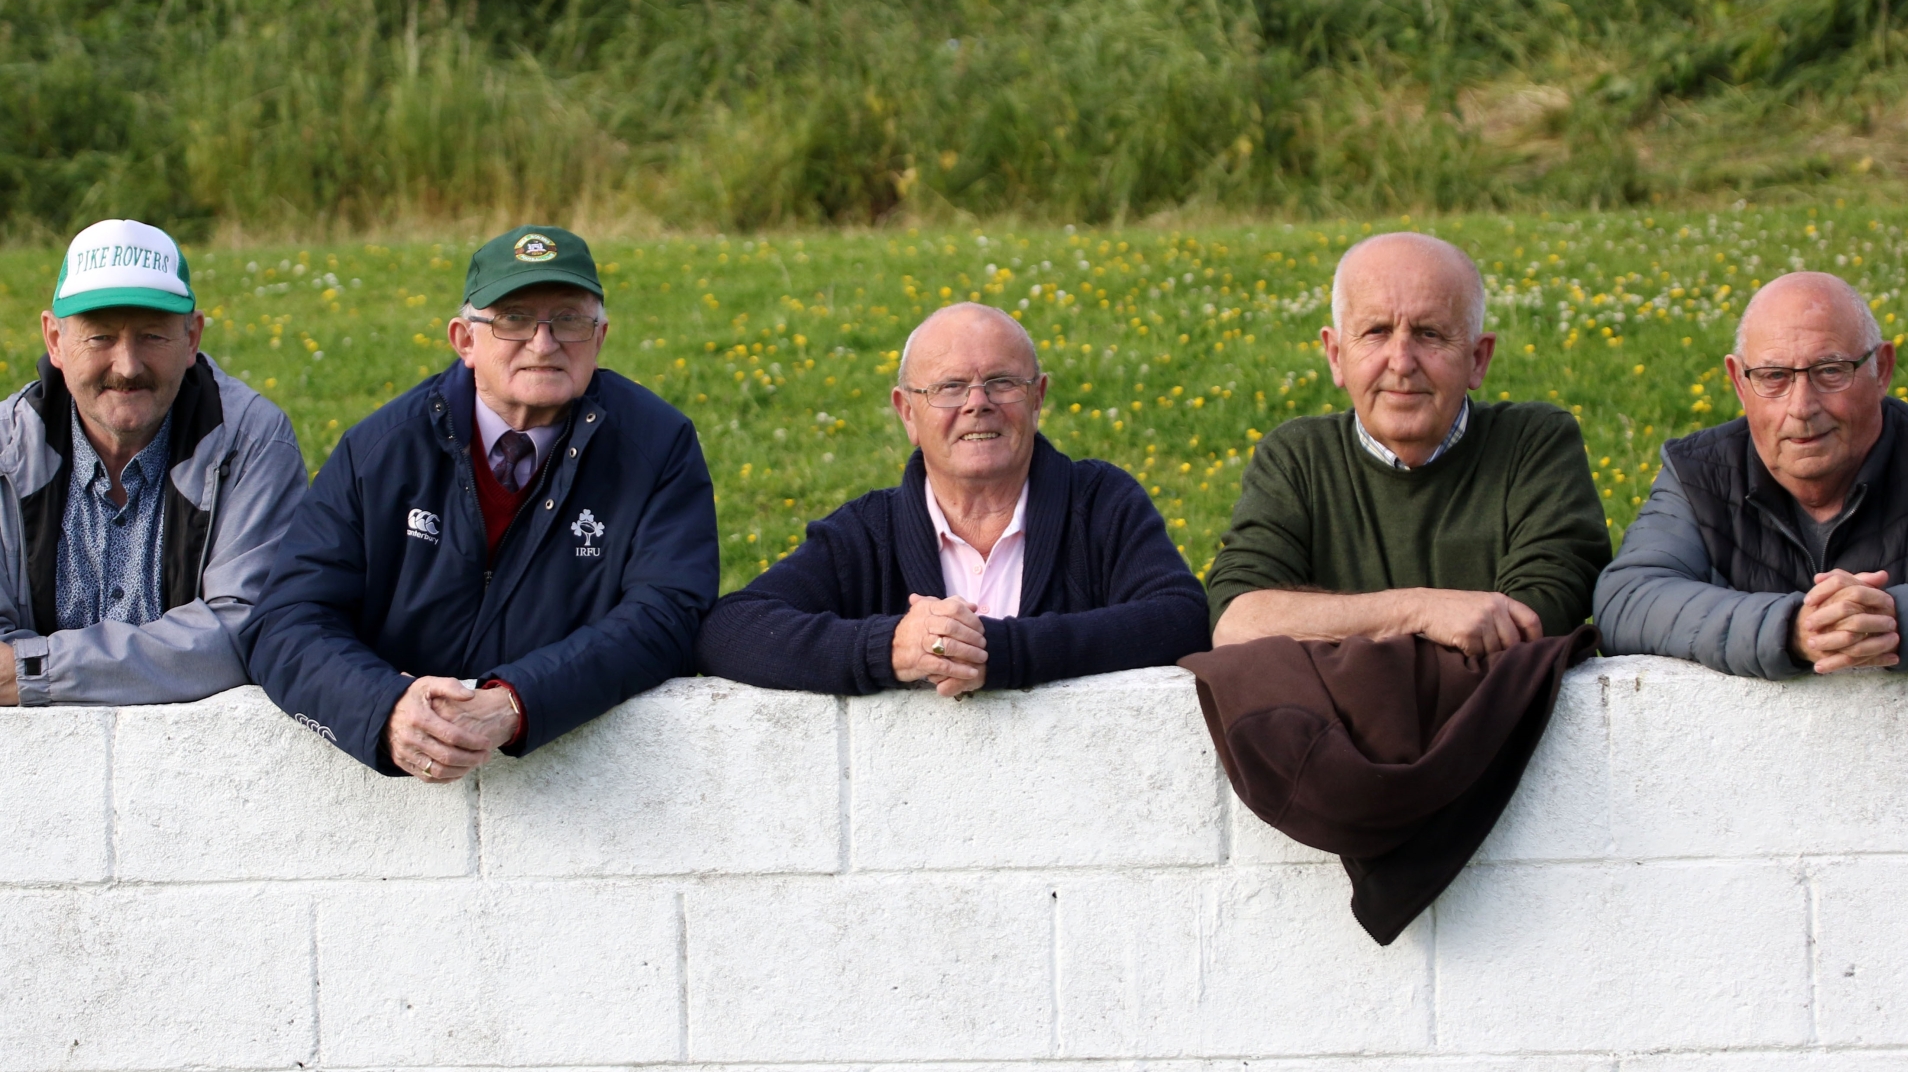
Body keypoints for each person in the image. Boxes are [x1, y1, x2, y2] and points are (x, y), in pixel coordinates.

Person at [246, 225, 718, 779]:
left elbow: (668, 615)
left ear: (600, 337)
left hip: (580, 793)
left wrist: (518, 701)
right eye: (513, 319)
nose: (543, 344)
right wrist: (386, 709)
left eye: (569, 319)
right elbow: (285, 622)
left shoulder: (657, 445)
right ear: (464, 340)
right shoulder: (380, 450)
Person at [695, 301, 1208, 694]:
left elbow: (1180, 617)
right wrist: (892, 648)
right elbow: (730, 631)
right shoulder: (868, 532)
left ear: (1038, 398)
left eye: (1002, 382)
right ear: (907, 413)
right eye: (949, 387)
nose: (977, 404)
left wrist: (1001, 652)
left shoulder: (1100, 502)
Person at [1207, 232, 1610, 650]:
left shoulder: (1533, 445)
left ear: (1478, 359)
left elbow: (1533, 619)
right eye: (1376, 331)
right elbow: (1239, 621)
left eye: (1430, 334)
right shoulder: (1297, 459)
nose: (1401, 362)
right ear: (1335, 355)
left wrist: (1333, 633)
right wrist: (1418, 610)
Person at [0, 219, 305, 705]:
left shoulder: (253, 442)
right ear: (54, 340)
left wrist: (35, 670)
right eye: (99, 337)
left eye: (153, 337)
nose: (127, 366)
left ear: (192, 338)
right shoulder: (5, 451)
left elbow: (245, 631)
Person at [1596, 271, 1908, 677]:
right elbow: (1627, 601)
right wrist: (1793, 627)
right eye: (1774, 377)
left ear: (1882, 369)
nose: (1801, 407)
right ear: (1738, 382)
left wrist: (1893, 619)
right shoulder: (1699, 473)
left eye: (1830, 370)